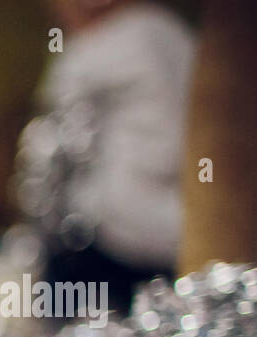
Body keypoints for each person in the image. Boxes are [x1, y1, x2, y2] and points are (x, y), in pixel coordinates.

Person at [18, 0, 196, 316]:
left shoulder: (93, 50)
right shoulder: (178, 38)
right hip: (176, 237)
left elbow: (50, 164)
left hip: (108, 240)